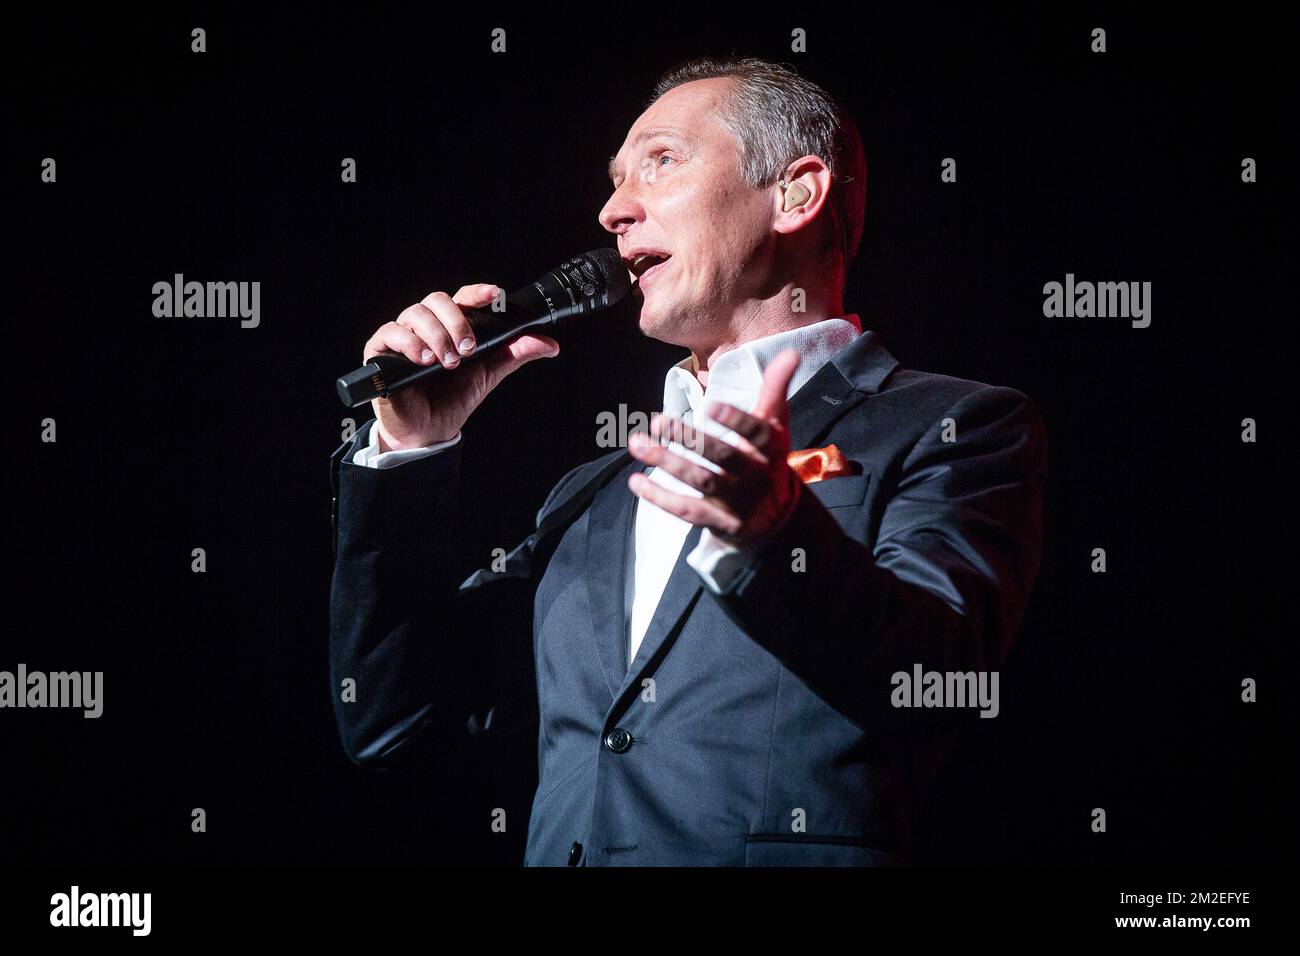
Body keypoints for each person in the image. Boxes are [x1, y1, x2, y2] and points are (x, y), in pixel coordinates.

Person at [328, 55, 1047, 866]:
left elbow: (936, 686)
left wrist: (771, 537)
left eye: (661, 161)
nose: (611, 210)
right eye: (614, 178)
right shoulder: (592, 495)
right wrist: (411, 451)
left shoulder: (951, 425)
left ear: (796, 194)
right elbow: (398, 727)